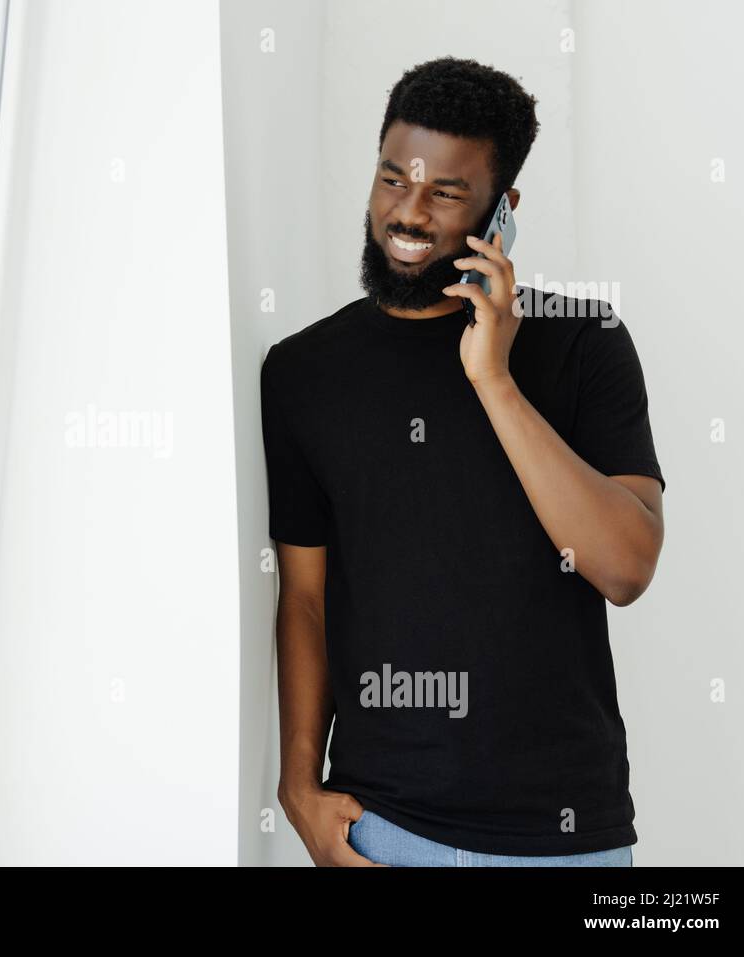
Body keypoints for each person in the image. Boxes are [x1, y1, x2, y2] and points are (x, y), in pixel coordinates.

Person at [261, 57, 665, 867]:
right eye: (390, 181)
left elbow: (623, 567)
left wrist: (493, 378)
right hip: (381, 831)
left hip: (562, 840)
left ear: (503, 210)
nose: (407, 214)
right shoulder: (303, 372)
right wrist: (298, 786)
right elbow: (305, 599)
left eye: (445, 193)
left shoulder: (585, 343)